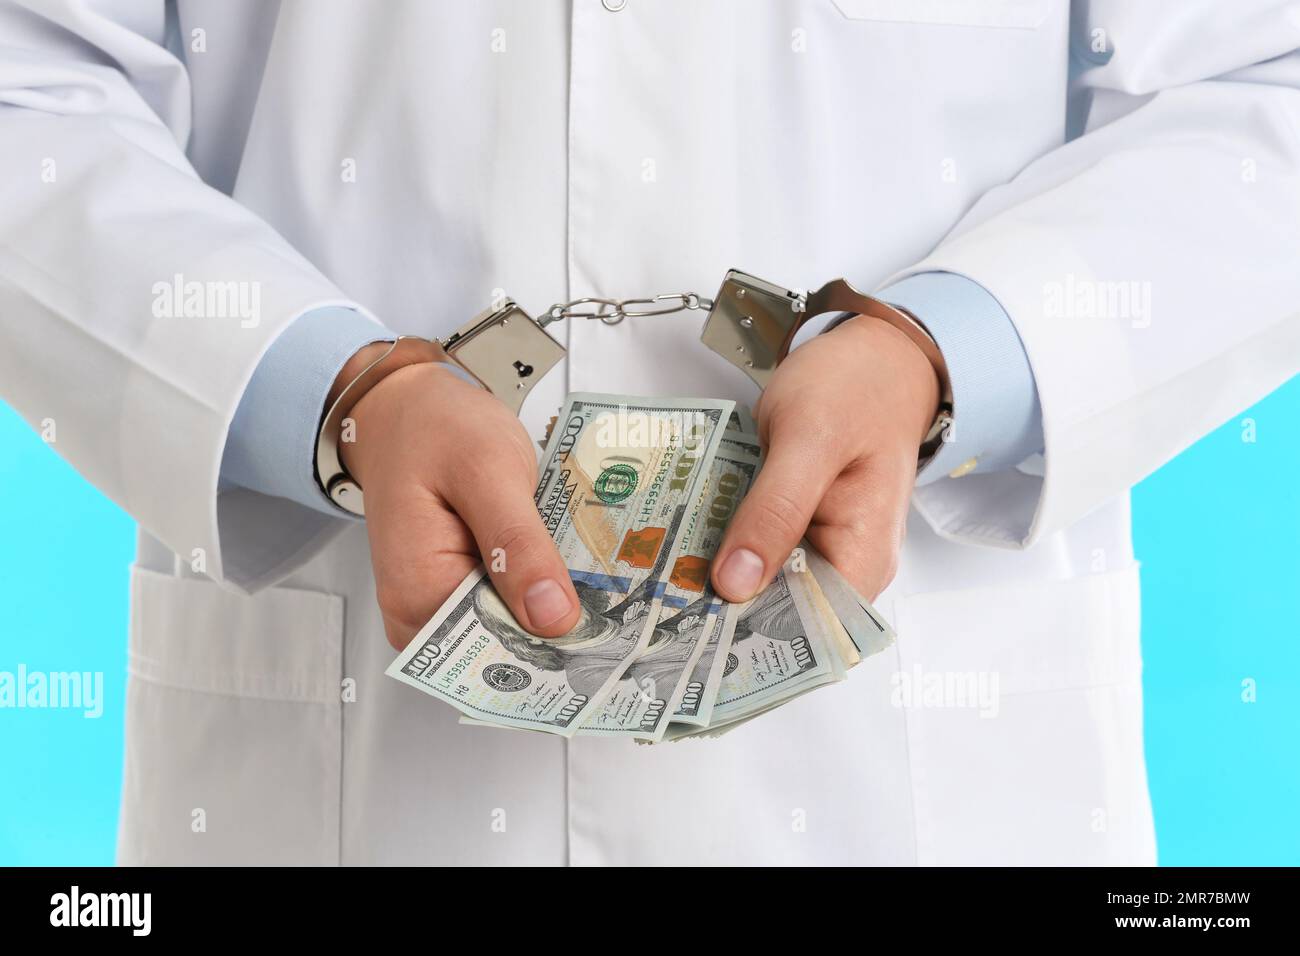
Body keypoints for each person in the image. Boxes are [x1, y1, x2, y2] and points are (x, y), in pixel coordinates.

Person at [2, 0, 1298, 866]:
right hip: (367, 774)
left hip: (921, 759)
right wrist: (331, 396)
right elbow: (31, 87)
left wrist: (949, 357)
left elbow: (1259, 85)